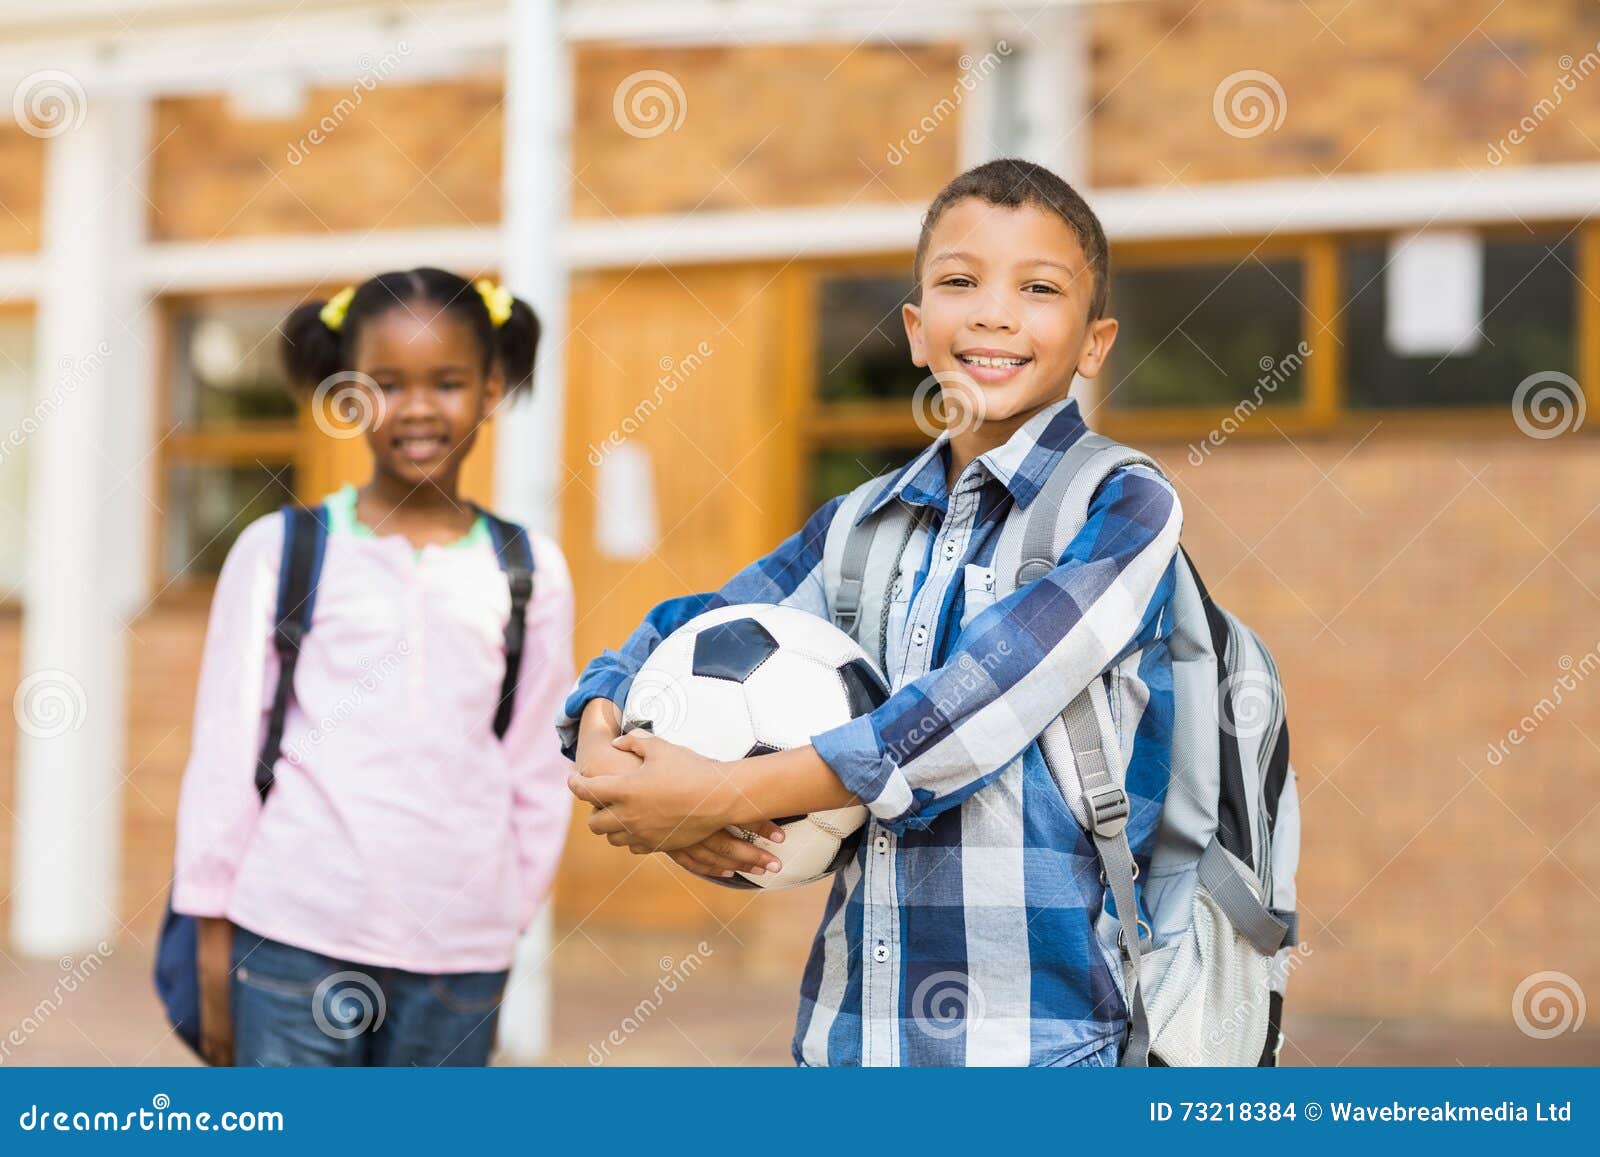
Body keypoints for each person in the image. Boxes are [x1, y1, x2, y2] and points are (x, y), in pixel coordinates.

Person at [560, 159, 1184, 1067]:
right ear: (918, 329)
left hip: (1044, 1050)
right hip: (845, 1040)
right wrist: (609, 746)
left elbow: (956, 719)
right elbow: (680, 630)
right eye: (960, 283)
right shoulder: (860, 523)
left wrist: (714, 794)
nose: (995, 313)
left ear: (1095, 342)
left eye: (1039, 289)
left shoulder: (1123, 506)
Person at [171, 268, 574, 1066]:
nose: (418, 408)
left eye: (449, 381)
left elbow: (537, 763)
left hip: (459, 958)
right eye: (385, 384)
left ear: (492, 388)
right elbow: (223, 753)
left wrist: (503, 911)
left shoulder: (528, 570)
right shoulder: (282, 551)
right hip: (291, 937)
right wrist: (212, 938)